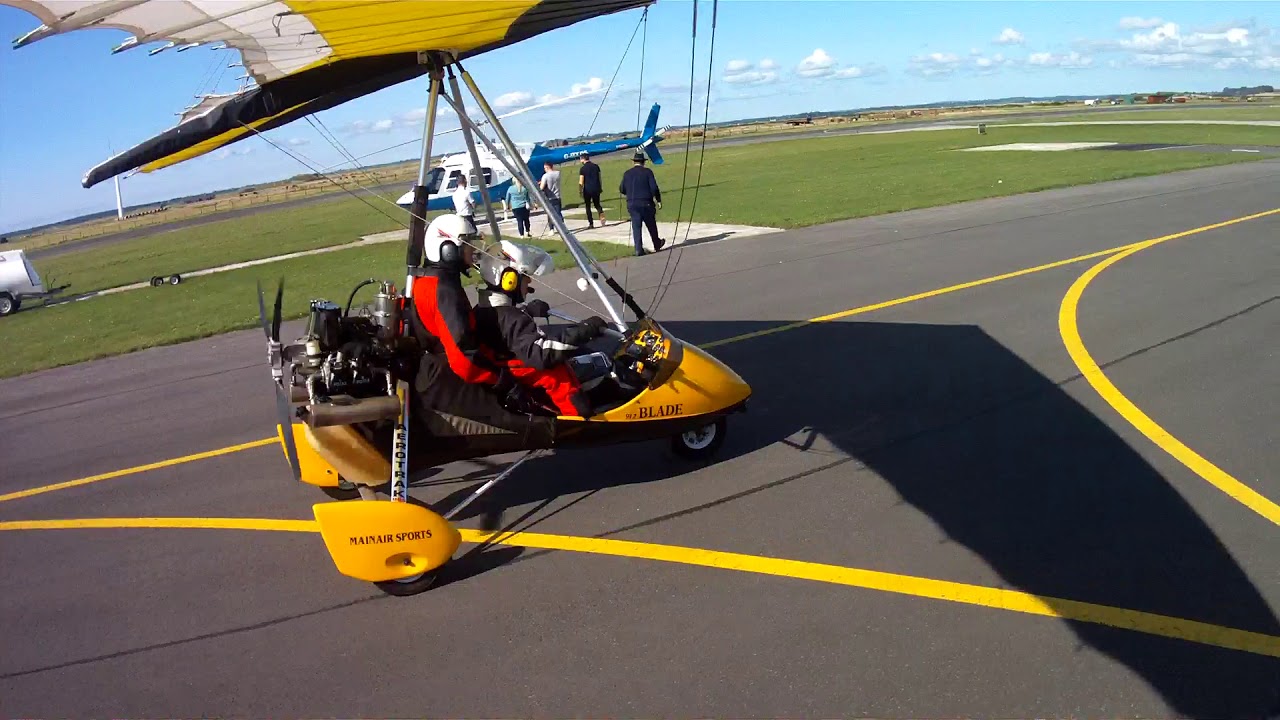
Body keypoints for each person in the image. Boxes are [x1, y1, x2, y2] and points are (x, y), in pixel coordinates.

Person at [404, 213, 555, 452]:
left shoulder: (429, 279)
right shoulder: (444, 289)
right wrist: (503, 382)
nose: (472, 252)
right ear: (447, 250)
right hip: (448, 379)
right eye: (466, 245)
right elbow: (463, 359)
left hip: (435, 372)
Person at [473, 240, 608, 417]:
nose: (529, 283)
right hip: (519, 366)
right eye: (525, 276)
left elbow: (507, 330)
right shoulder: (511, 317)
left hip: (504, 363)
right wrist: (585, 330)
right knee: (559, 375)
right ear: (509, 281)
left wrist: (527, 311)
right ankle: (581, 420)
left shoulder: (484, 310)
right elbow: (541, 354)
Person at [618, 150, 665, 256]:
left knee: (636, 226)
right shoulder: (647, 172)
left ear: (634, 162)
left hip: (632, 203)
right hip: (646, 202)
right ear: (643, 162)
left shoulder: (627, 174)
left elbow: (622, 189)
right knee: (651, 224)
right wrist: (658, 200)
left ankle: (638, 248)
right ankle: (656, 243)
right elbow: (654, 188)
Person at [577, 153, 605, 228]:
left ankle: (591, 223)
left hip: (588, 190)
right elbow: (599, 178)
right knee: (597, 204)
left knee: (588, 206)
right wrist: (600, 187)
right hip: (596, 188)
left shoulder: (583, 169)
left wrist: (580, 191)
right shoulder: (596, 166)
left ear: (583, 159)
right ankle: (602, 217)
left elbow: (581, 181)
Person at [538, 160, 562, 231]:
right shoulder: (558, 173)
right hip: (557, 195)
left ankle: (551, 229)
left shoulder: (545, 176)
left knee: (550, 214)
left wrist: (540, 184)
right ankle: (562, 227)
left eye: (545, 168)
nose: (544, 170)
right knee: (558, 213)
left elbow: (541, 188)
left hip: (549, 197)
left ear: (547, 167)